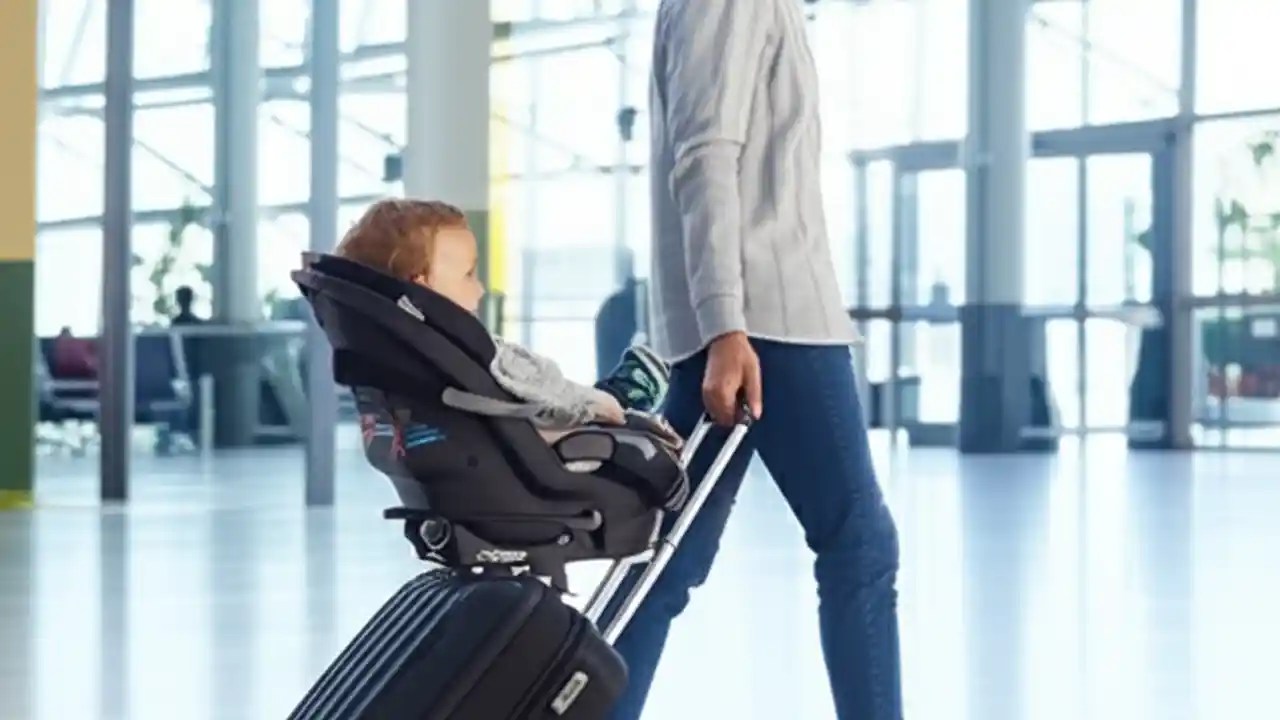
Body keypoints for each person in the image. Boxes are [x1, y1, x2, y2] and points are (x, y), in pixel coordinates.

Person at [606, 1, 904, 718]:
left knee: (666, 562)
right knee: (859, 542)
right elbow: (705, 154)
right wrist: (725, 326)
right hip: (767, 318)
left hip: (743, 318)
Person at [334, 199, 675, 440]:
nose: (480, 290)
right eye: (468, 275)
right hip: (536, 440)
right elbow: (537, 397)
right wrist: (603, 407)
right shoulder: (466, 353)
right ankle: (620, 396)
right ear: (423, 289)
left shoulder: (401, 351)